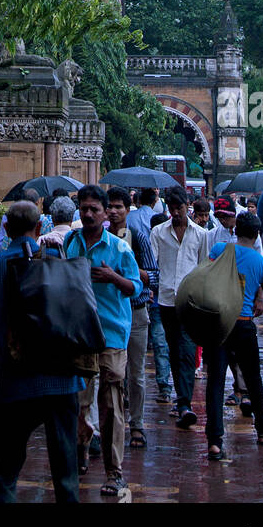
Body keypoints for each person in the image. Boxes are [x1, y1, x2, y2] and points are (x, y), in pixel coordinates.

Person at [0, 199, 84, 503]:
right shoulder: (59, 261)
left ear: (5, 228)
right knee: (66, 473)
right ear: (39, 227)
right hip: (62, 380)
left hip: (13, 382)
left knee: (6, 472)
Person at [65, 185, 141, 499]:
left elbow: (135, 288)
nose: (88, 214)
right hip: (79, 334)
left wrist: (113, 277)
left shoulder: (119, 249)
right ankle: (81, 450)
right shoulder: (70, 244)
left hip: (111, 335)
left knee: (110, 404)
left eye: (94, 209)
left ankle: (114, 472)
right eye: (84, 208)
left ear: (106, 211)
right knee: (79, 402)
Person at [203, 213, 263, 459]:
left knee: (215, 381)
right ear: (257, 234)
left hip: (218, 324)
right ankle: (262, 430)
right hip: (244, 324)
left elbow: (205, 278)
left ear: (235, 230)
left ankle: (215, 441)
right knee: (254, 379)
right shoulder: (262, 264)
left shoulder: (218, 250)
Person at [151, 186, 210, 429]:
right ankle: (180, 398)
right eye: (172, 209)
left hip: (190, 301)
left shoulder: (200, 235)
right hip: (165, 299)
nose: (176, 213)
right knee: (173, 348)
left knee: (187, 349)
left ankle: (184, 403)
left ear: (188, 207)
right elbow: (153, 264)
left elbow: (204, 267)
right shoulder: (158, 232)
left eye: (180, 209)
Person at [106, 187, 152, 450]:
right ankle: (112, 423)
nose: (113, 211)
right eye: (110, 207)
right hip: (108, 312)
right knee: (112, 372)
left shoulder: (138, 238)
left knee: (136, 373)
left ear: (128, 209)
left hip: (135, 311)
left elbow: (153, 276)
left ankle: (137, 424)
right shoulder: (99, 238)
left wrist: (131, 269)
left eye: (118, 207)